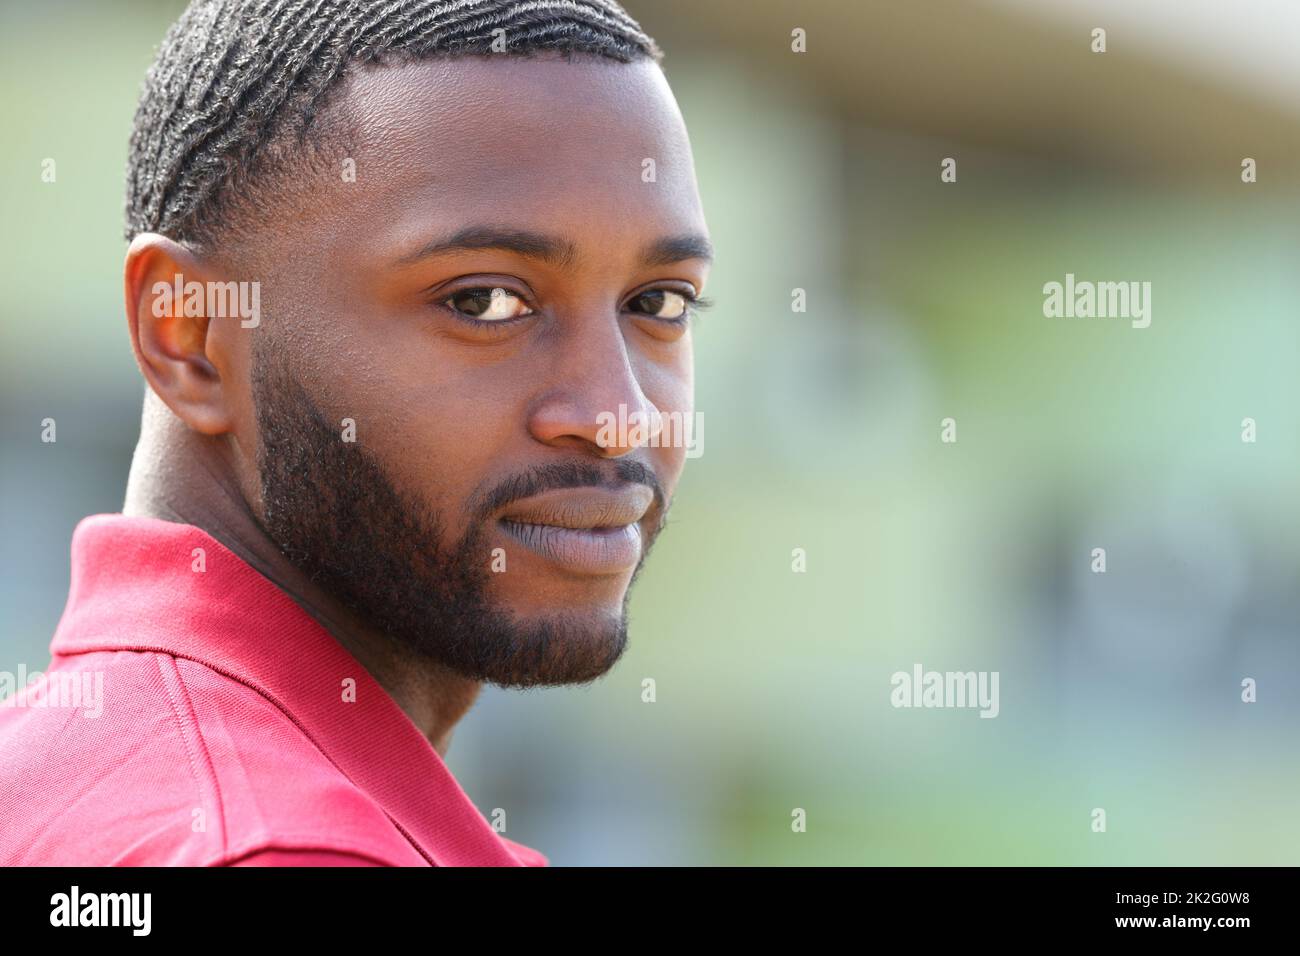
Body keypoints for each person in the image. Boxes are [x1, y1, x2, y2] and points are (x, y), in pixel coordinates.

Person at [0, 0, 713, 867]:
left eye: (659, 304)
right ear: (187, 333)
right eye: (484, 302)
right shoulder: (284, 846)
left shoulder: (54, 770)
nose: (618, 414)